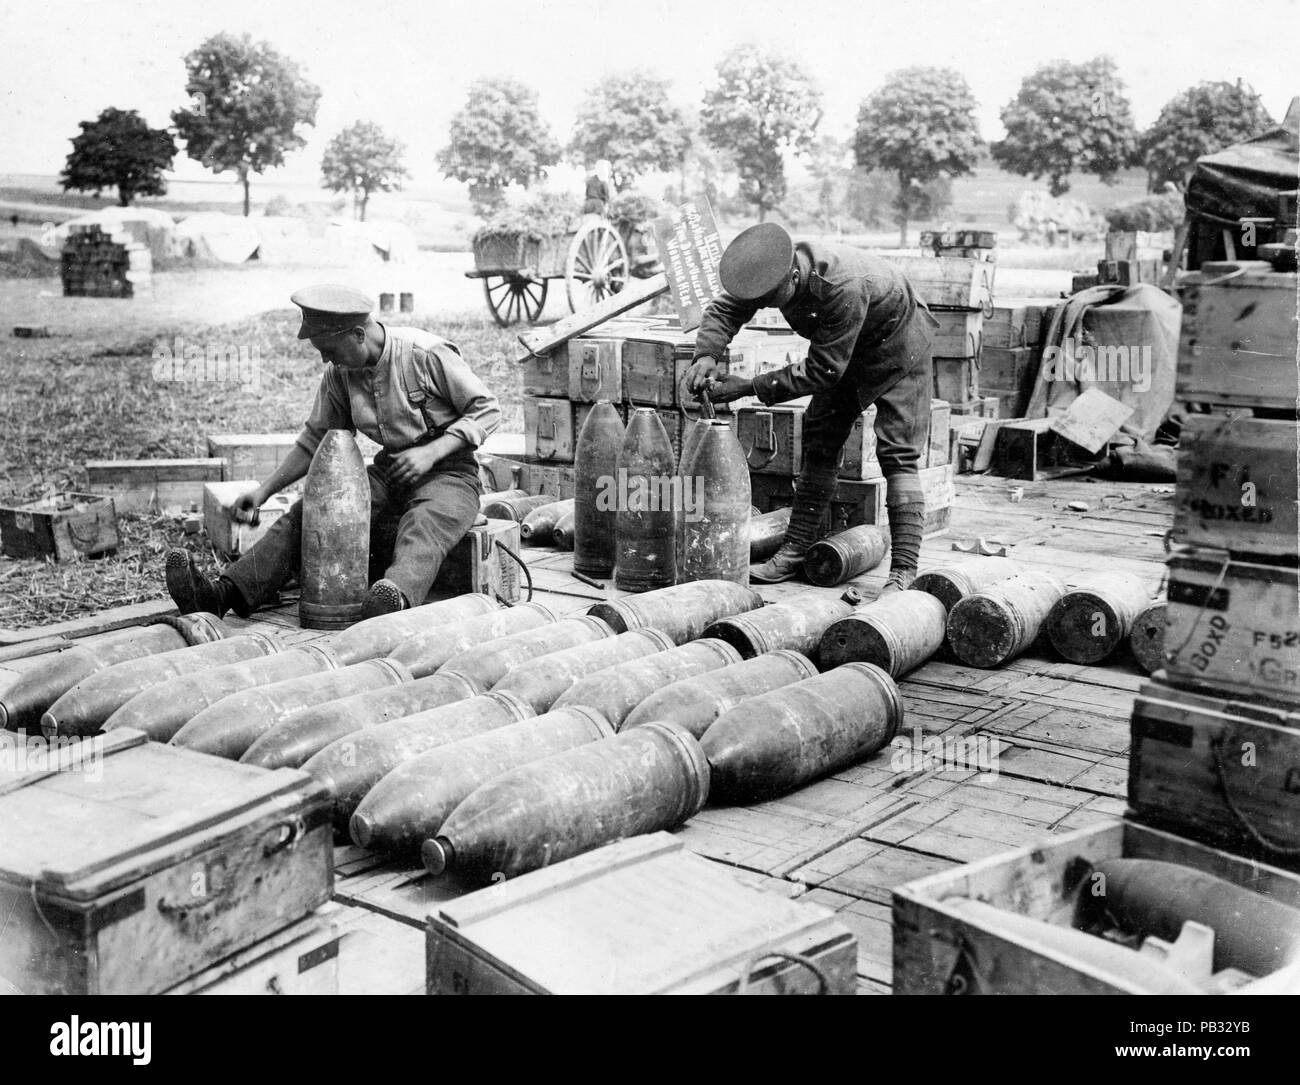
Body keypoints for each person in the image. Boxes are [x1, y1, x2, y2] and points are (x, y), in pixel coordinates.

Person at [165, 284, 501, 620]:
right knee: (312, 511)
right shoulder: (340, 373)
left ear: (357, 334)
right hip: (391, 471)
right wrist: (264, 491)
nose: (326, 359)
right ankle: (222, 594)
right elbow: (316, 438)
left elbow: (487, 409)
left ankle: (393, 600)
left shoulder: (424, 354)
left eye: (330, 349)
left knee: (425, 524)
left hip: (451, 473)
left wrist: (431, 452)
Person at [685, 223, 936, 591]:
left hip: (898, 344)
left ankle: (903, 571)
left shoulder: (842, 287)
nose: (767, 306)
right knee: (820, 435)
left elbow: (824, 370)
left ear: (795, 276)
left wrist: (748, 388)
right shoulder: (767, 272)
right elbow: (728, 307)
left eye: (774, 300)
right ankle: (795, 551)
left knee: (897, 451)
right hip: (844, 346)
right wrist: (706, 354)